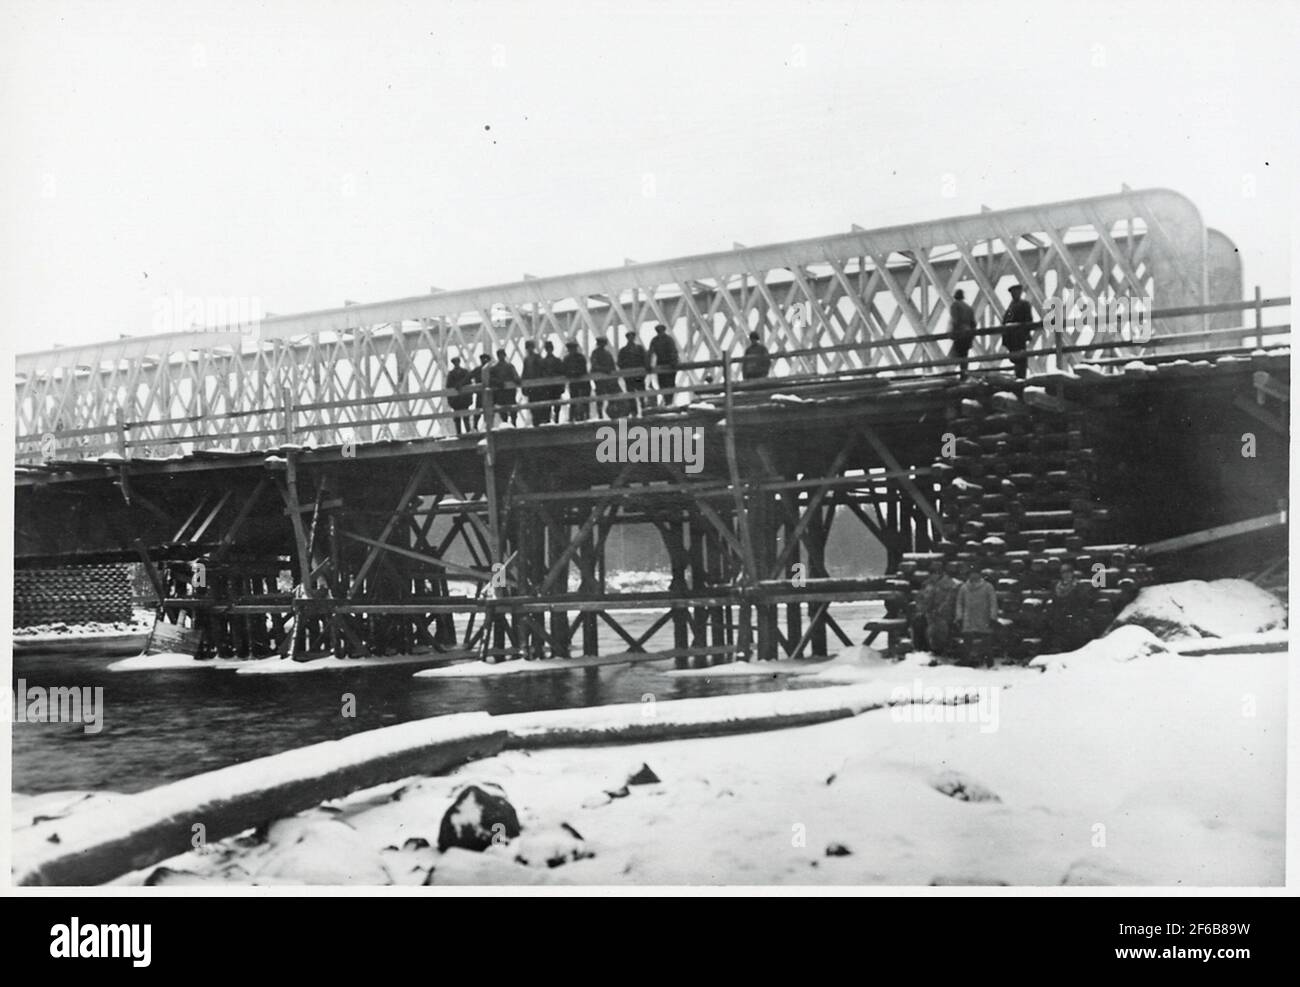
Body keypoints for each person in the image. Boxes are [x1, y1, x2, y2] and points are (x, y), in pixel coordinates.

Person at [915, 560, 960, 657]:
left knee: (938, 626)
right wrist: (921, 609)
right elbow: (919, 598)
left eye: (935, 572)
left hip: (945, 615)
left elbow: (950, 601)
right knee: (917, 622)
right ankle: (921, 651)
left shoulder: (950, 585)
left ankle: (938, 650)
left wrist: (939, 610)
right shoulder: (927, 584)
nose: (933, 575)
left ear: (940, 572)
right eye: (931, 572)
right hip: (928, 613)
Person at [955, 566, 998, 667]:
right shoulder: (964, 588)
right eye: (971, 573)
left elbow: (993, 603)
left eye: (976, 573)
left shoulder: (988, 587)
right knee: (967, 642)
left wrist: (993, 617)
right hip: (968, 619)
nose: (974, 575)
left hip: (984, 618)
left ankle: (989, 661)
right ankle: (966, 661)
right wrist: (959, 617)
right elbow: (959, 603)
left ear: (980, 574)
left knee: (986, 642)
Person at [1048, 562, 1094, 653]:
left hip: (1075, 617)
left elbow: (1082, 602)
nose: (1066, 575)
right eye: (1064, 573)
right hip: (1060, 617)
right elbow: (1054, 602)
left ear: (1072, 573)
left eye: (1068, 573)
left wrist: (1077, 614)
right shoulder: (1057, 586)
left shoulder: (1077, 585)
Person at [1001, 284, 1035, 380]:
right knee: (1020, 360)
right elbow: (1029, 320)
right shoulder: (1019, 305)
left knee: (1019, 360)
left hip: (1016, 338)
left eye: (1016, 292)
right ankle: (1020, 378)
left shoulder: (1014, 306)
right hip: (1017, 338)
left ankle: (1020, 378)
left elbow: (1006, 321)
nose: (1014, 294)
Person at [617, 329, 648, 416]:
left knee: (641, 392)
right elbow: (620, 363)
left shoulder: (639, 349)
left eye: (632, 337)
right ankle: (634, 411)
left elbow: (645, 360)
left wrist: (643, 373)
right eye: (629, 337)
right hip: (629, 376)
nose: (631, 339)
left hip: (639, 376)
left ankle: (643, 409)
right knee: (631, 394)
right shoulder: (623, 350)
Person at [949, 289, 977, 378]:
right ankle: (964, 374)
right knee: (964, 355)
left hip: (960, 334)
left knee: (956, 355)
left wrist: (952, 333)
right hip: (968, 334)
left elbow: (955, 320)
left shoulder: (955, 305)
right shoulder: (969, 308)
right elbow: (974, 323)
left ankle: (954, 375)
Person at [648, 323, 679, 406]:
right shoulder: (667, 339)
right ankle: (668, 402)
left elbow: (650, 353)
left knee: (666, 384)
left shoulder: (657, 340)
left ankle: (668, 402)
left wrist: (648, 365)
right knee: (666, 384)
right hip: (665, 365)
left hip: (665, 364)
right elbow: (674, 352)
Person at [590, 337, 620, 418]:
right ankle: (600, 414)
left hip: (608, 379)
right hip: (599, 379)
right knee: (600, 397)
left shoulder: (607, 354)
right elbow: (594, 365)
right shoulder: (595, 353)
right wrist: (604, 370)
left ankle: (611, 413)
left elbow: (613, 366)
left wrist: (614, 377)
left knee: (611, 397)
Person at [520, 340, 549, 425]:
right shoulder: (527, 359)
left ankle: (541, 423)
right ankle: (536, 423)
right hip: (531, 388)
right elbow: (524, 373)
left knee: (540, 408)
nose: (529, 349)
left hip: (538, 388)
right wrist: (523, 386)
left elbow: (542, 371)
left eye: (530, 347)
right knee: (534, 408)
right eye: (528, 348)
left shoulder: (537, 358)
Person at [562, 340, 590, 422]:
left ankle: (585, 417)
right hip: (575, 383)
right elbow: (564, 371)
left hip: (582, 383)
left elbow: (583, 370)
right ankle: (572, 418)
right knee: (574, 400)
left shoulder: (579, 358)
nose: (571, 350)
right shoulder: (567, 359)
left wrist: (573, 373)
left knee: (583, 401)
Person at [490, 348, 520, 425]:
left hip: (507, 392)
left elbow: (515, 376)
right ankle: (508, 423)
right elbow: (491, 379)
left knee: (511, 408)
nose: (501, 356)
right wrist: (499, 382)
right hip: (502, 392)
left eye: (502, 355)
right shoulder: (495, 368)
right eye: (500, 355)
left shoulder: (509, 366)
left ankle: (513, 423)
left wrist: (516, 380)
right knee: (505, 410)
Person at [445, 356, 473, 435]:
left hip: (464, 399)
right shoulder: (451, 374)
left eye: (457, 362)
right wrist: (450, 401)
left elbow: (470, 385)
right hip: (456, 400)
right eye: (455, 362)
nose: (456, 364)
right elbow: (448, 387)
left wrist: (470, 398)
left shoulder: (465, 372)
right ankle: (459, 433)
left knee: (466, 417)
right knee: (457, 418)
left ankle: (468, 431)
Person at [540, 339, 565, 420]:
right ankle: (549, 420)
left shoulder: (556, 361)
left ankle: (556, 419)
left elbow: (561, 373)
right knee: (548, 406)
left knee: (556, 406)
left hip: (555, 387)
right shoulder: (544, 362)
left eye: (549, 348)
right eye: (548, 348)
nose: (549, 350)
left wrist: (562, 386)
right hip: (548, 387)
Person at [472, 353, 492, 429]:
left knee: (482, 410)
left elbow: (469, 376)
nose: (484, 361)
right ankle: (475, 426)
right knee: (479, 411)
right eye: (482, 359)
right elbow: (469, 376)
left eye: (485, 359)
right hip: (482, 393)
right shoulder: (479, 369)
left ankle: (486, 426)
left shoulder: (490, 369)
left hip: (487, 393)